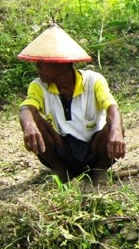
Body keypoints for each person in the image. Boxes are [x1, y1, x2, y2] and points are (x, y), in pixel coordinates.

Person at [17, 24, 126, 185]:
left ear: (60, 64)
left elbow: (112, 107)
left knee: (115, 125)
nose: (37, 66)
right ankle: (60, 170)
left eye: (42, 62)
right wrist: (28, 124)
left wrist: (116, 130)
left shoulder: (93, 80)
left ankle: (99, 170)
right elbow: (27, 108)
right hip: (62, 150)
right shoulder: (38, 86)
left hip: (94, 148)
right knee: (32, 118)